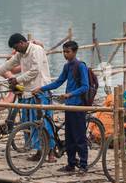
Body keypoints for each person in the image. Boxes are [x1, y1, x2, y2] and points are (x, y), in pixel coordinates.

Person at [35, 40, 92, 173]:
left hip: (78, 106)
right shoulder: (67, 66)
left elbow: (85, 86)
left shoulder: (80, 66)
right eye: (64, 52)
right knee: (69, 136)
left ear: (74, 52)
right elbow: (59, 82)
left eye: (68, 52)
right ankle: (71, 164)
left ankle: (83, 165)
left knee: (79, 138)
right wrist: (42, 88)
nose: (65, 54)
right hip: (69, 106)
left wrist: (70, 94)